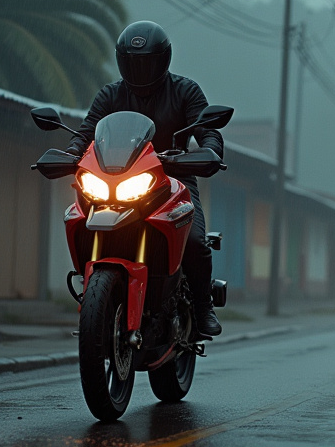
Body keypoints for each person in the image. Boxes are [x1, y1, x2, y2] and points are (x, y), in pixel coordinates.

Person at [65, 21, 224, 337]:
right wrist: (70, 152)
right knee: (79, 219)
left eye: (147, 61)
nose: (140, 68)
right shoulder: (110, 94)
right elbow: (86, 133)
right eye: (133, 61)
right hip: (118, 180)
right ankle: (96, 295)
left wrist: (210, 151)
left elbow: (209, 131)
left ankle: (204, 309)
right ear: (122, 60)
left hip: (173, 181)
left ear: (162, 59)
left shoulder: (185, 91)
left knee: (194, 241)